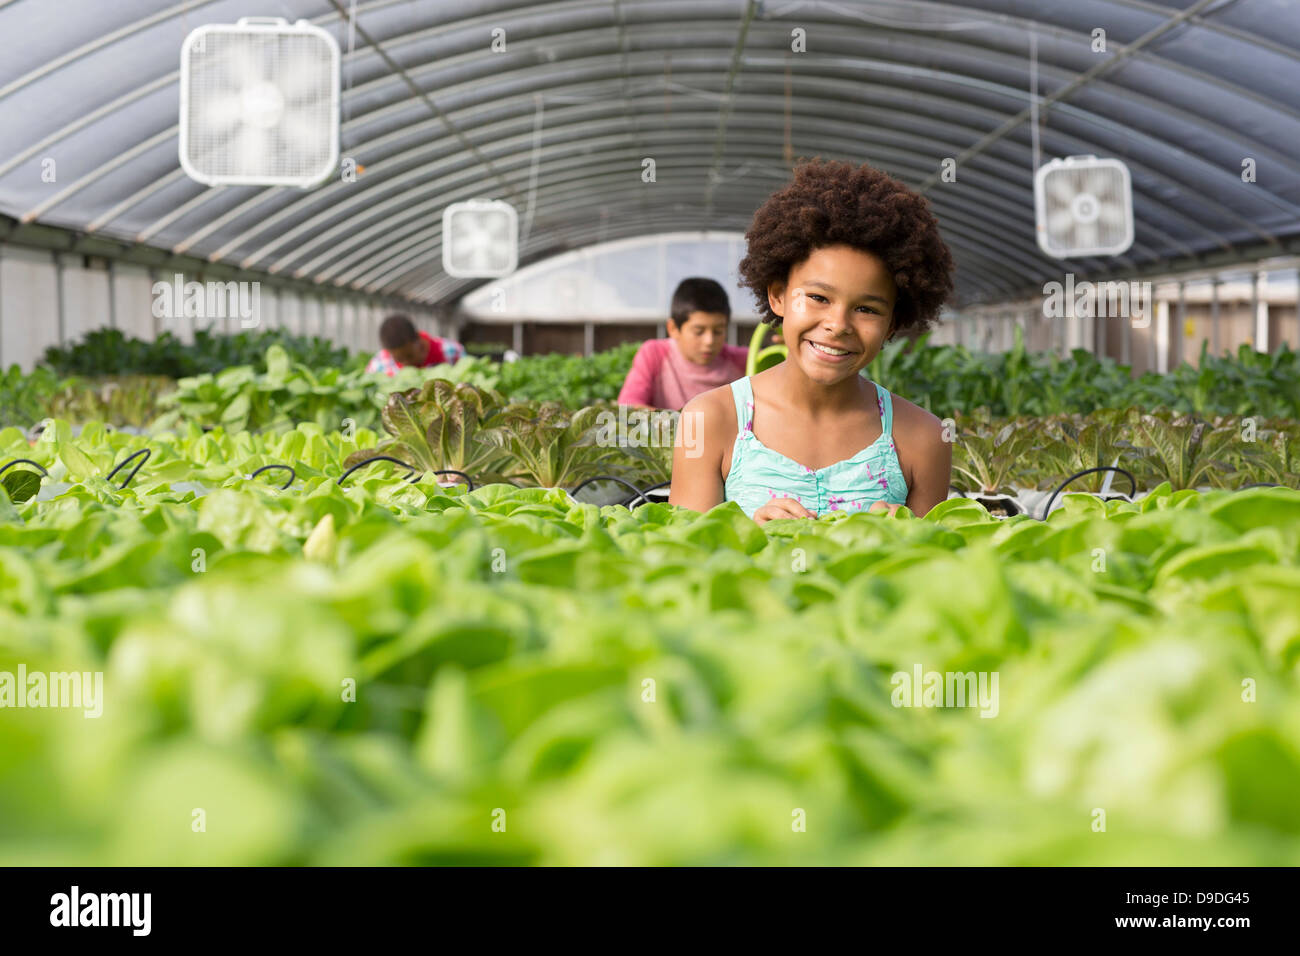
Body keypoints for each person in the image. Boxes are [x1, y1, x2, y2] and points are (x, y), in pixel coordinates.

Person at [669, 158, 956, 524]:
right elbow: (681, 566)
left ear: (893, 324)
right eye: (819, 298)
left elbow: (936, 573)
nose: (838, 325)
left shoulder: (924, 438)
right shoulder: (710, 420)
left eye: (866, 308)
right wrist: (747, 538)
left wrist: (902, 544)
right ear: (778, 296)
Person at [616, 278, 750, 410]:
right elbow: (629, 406)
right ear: (673, 329)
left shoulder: (742, 360)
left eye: (718, 331)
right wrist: (678, 422)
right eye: (699, 331)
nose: (709, 341)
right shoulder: (655, 354)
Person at [365, 313, 465, 375]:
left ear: (418, 339)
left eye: (410, 356)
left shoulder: (451, 351)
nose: (406, 363)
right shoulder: (378, 366)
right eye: (399, 359)